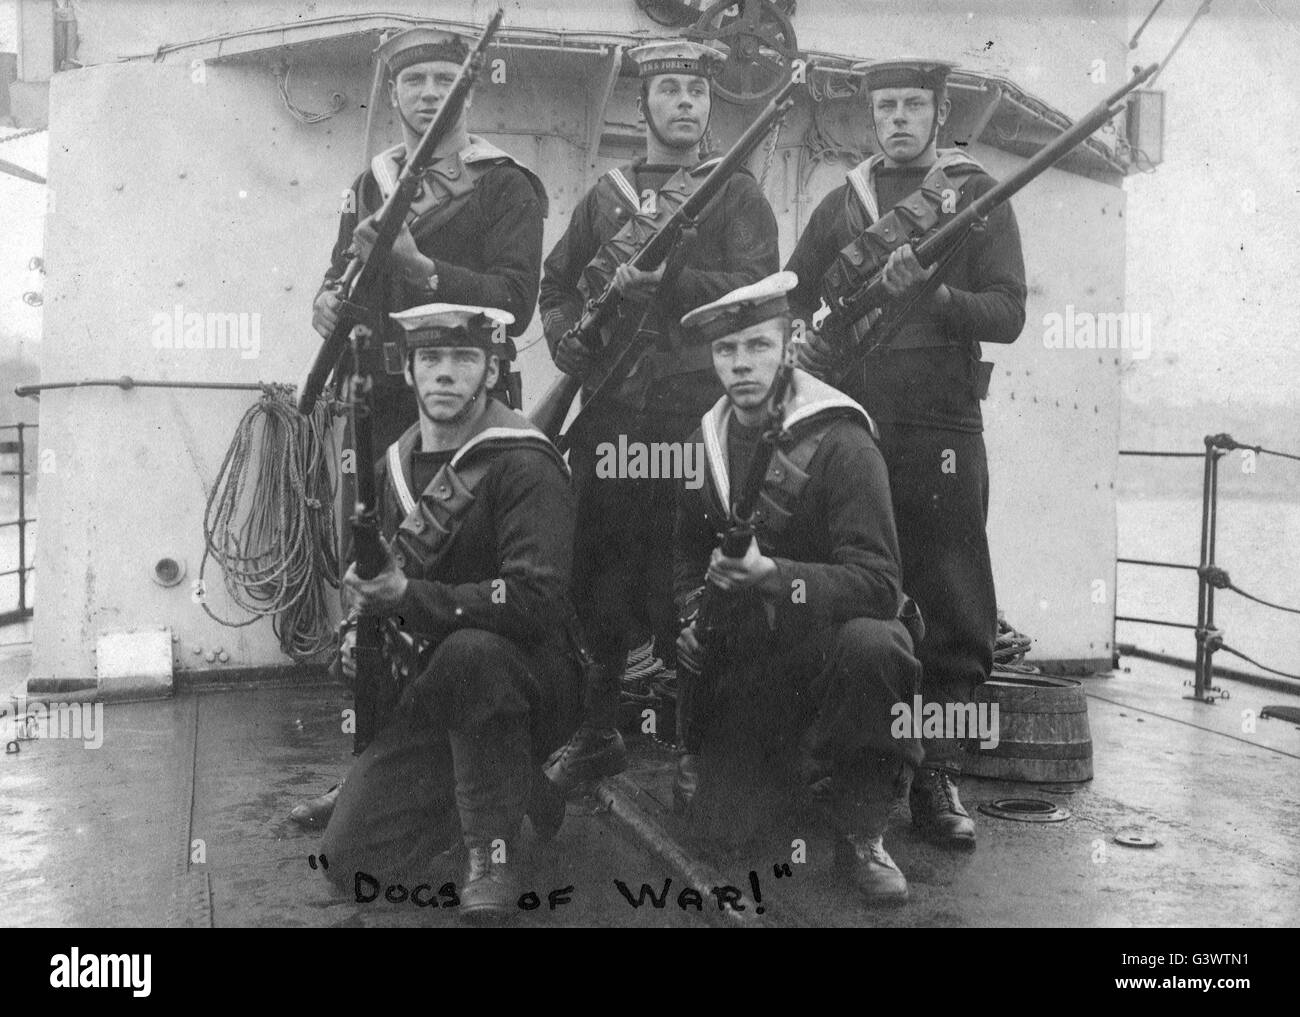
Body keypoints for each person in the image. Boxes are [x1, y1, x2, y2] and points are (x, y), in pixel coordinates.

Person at [293, 27, 547, 826]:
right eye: (417, 82)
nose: (431, 94)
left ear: (469, 92)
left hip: (463, 410)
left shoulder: (508, 186)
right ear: (395, 95)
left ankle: (471, 769)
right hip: (379, 404)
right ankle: (371, 764)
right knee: (372, 593)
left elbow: (516, 298)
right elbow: (343, 275)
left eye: (447, 79)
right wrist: (326, 301)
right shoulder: (372, 184)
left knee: (453, 586)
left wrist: (419, 266)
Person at [784, 58, 1027, 849]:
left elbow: (1009, 313)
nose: (897, 119)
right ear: (870, 116)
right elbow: (790, 294)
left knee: (952, 602)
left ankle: (936, 774)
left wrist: (934, 295)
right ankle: (852, 765)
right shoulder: (841, 207)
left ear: (938, 110)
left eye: (912, 105)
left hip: (945, 429)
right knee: (859, 594)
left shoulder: (976, 200)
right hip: (855, 431)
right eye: (884, 106)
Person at [539, 40, 779, 794]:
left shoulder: (735, 194)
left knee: (691, 580)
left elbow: (757, 290)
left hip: (692, 419)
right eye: (670, 90)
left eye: (698, 92)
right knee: (601, 576)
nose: (686, 103)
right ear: (642, 105)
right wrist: (568, 339)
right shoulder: (606, 197)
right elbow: (556, 285)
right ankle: (597, 729)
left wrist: (668, 283)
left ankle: (697, 747)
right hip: (612, 414)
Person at [315, 303, 581, 924]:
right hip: (439, 687)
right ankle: (520, 789)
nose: (444, 373)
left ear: (490, 372)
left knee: (472, 650)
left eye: (463, 359)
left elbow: (536, 602)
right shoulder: (394, 465)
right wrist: (357, 630)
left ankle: (491, 851)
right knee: (350, 862)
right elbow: (380, 583)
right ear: (408, 372)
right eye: (429, 359)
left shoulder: (524, 461)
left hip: (531, 680)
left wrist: (408, 598)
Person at [673, 272, 923, 905]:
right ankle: (781, 766)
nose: (741, 365)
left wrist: (774, 578)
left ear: (788, 346)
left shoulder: (841, 439)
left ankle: (864, 828)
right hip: (752, 657)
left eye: (757, 346)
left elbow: (879, 583)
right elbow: (676, 554)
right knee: (722, 837)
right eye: (726, 351)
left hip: (832, 648)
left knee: (877, 643)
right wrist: (682, 617)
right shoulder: (703, 442)